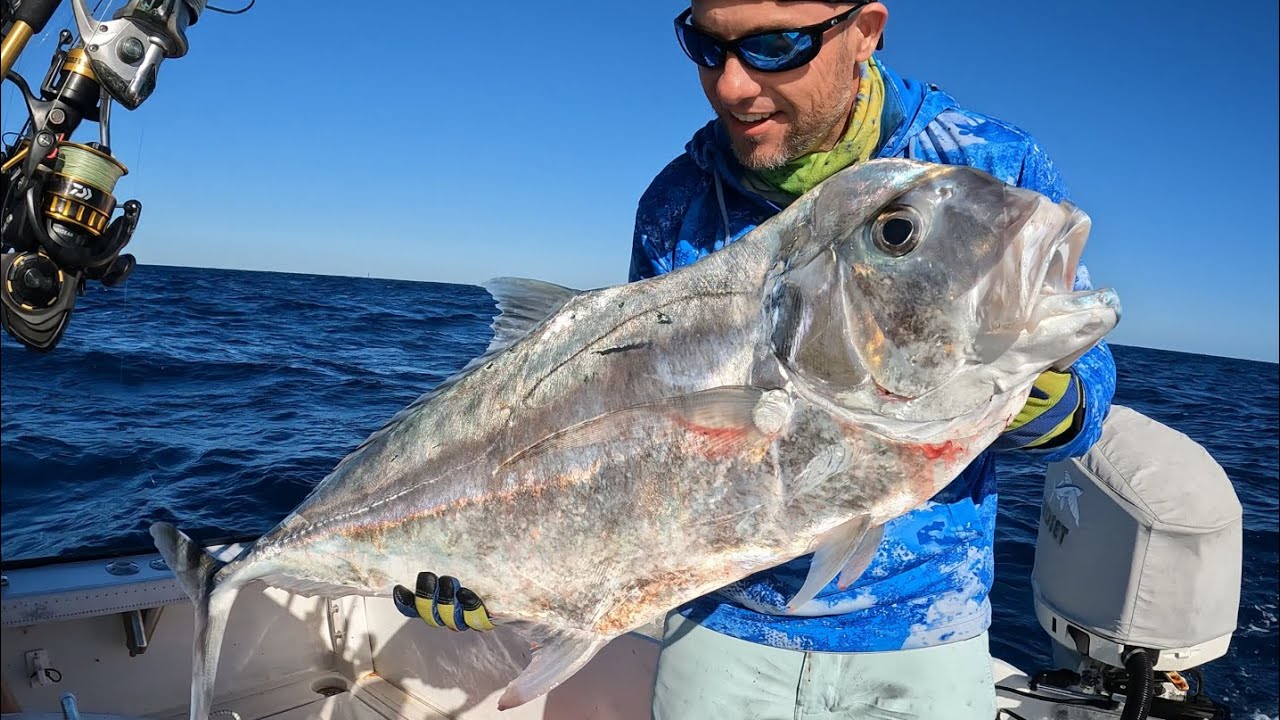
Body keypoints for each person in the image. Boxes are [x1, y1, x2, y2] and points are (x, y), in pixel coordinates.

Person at [392, 2, 1118, 718]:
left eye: (775, 46)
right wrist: (507, 565)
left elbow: (1085, 398)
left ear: (864, 32)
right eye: (707, 46)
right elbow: (623, 436)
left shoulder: (988, 165)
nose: (733, 85)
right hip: (722, 620)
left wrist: (1032, 386)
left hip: (926, 626)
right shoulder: (678, 202)